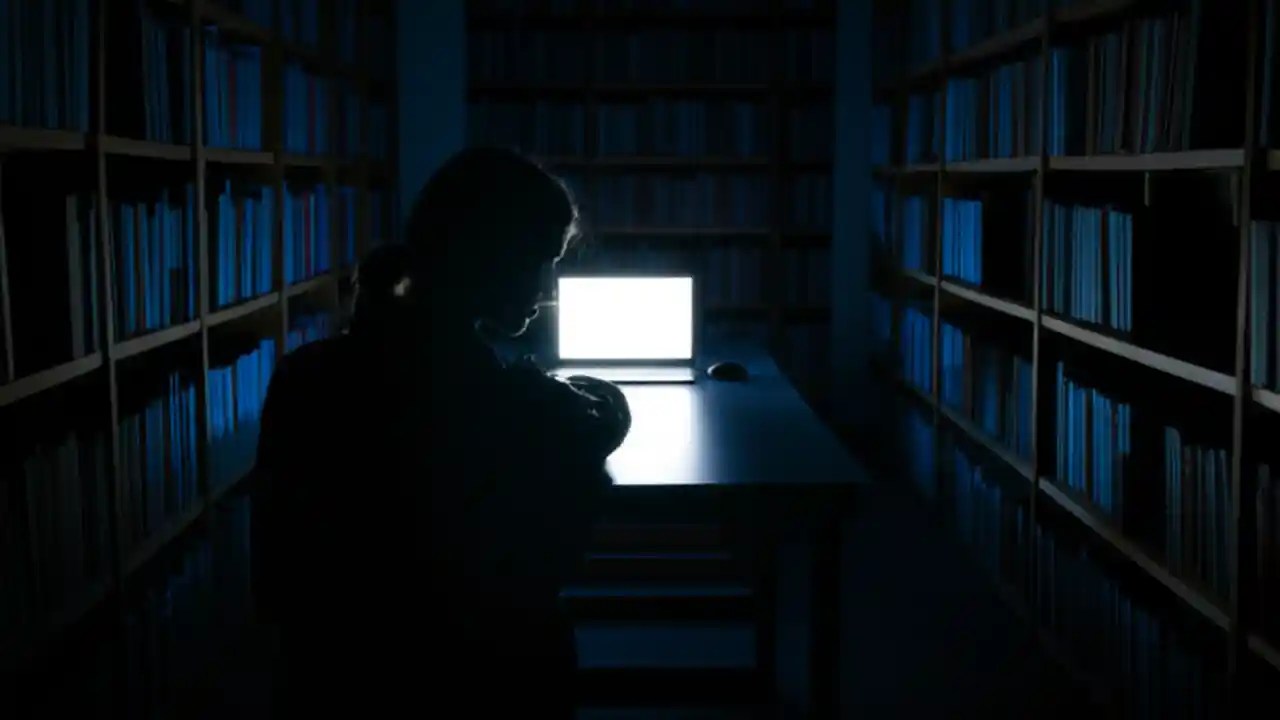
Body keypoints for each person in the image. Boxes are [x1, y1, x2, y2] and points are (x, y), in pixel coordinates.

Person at [251, 148, 630, 717]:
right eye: (541, 259)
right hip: (481, 685)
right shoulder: (521, 408)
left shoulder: (304, 374)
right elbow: (551, 568)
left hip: (328, 680)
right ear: (492, 255)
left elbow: (275, 576)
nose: (548, 284)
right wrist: (596, 422)